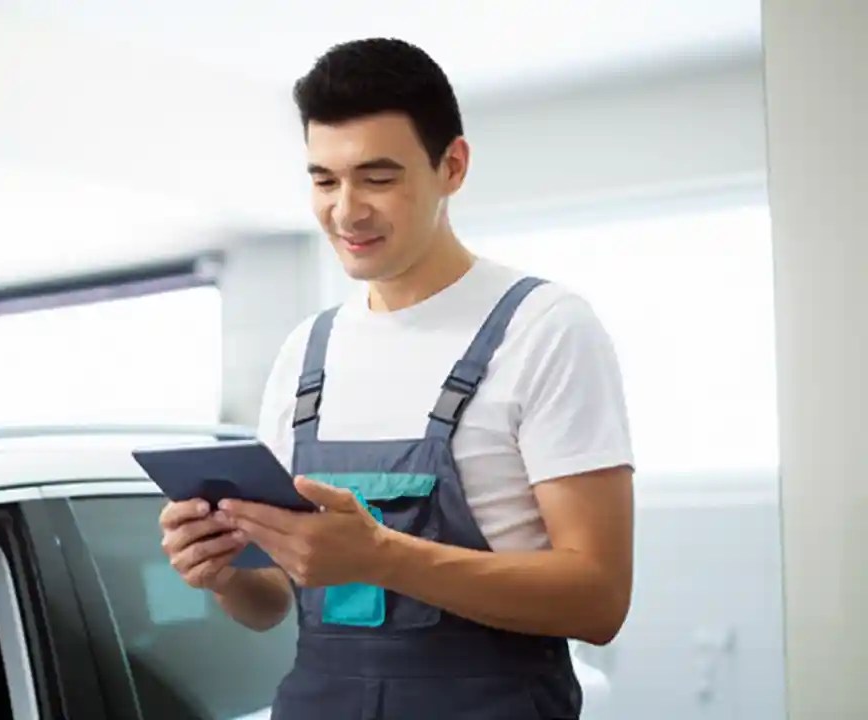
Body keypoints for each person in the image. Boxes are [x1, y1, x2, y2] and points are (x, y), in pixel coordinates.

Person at [158, 37, 634, 719]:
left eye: (377, 178)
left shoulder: (546, 329)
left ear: (453, 167)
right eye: (324, 180)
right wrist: (221, 572)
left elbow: (598, 599)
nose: (346, 211)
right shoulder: (305, 354)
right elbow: (267, 605)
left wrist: (383, 557)